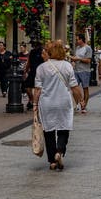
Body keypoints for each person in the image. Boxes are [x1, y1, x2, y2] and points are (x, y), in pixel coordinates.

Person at [33, 40, 82, 171]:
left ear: (49, 52)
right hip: (63, 102)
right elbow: (74, 86)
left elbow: (37, 89)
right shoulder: (67, 66)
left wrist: (35, 104)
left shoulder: (41, 68)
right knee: (64, 127)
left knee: (48, 130)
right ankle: (59, 152)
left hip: (47, 103)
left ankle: (52, 161)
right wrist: (80, 100)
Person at [71, 33, 92, 113]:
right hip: (76, 70)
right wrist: (73, 60)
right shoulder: (77, 48)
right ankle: (77, 104)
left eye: (77, 39)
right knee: (74, 88)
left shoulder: (88, 48)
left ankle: (84, 106)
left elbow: (88, 60)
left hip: (85, 71)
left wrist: (78, 59)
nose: (76, 41)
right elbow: (76, 58)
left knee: (85, 88)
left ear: (81, 40)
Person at [23, 42, 44, 111]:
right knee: (27, 86)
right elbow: (28, 62)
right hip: (33, 72)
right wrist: (26, 71)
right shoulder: (32, 52)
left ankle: (35, 102)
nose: (35, 47)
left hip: (41, 73)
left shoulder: (43, 52)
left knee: (38, 88)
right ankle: (32, 100)